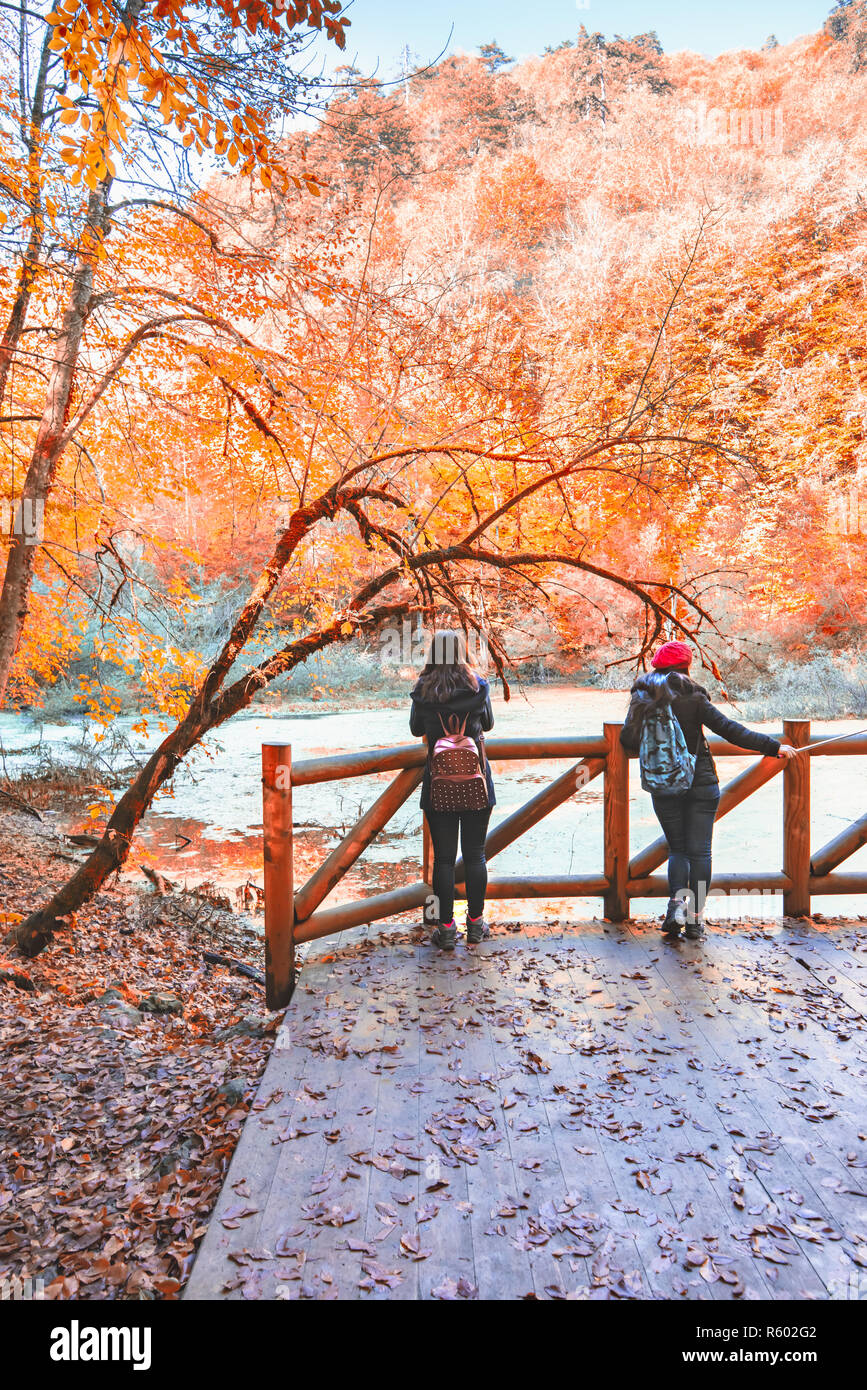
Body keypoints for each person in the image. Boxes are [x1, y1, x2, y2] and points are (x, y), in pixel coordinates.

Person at [620, 640, 797, 940]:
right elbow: (730, 729)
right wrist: (774, 747)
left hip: (664, 784)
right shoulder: (693, 696)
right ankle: (695, 919)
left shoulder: (642, 697)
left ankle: (676, 905)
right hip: (701, 781)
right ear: (686, 667)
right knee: (700, 851)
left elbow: (627, 741)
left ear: (657, 667)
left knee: (677, 848)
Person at [410, 631, 495, 950]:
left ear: (433, 654)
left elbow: (416, 728)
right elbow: (487, 725)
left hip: (438, 784)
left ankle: (446, 928)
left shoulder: (422, 689)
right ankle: (475, 925)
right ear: (461, 652)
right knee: (475, 855)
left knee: (444, 859)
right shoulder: (478, 686)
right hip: (476, 781)